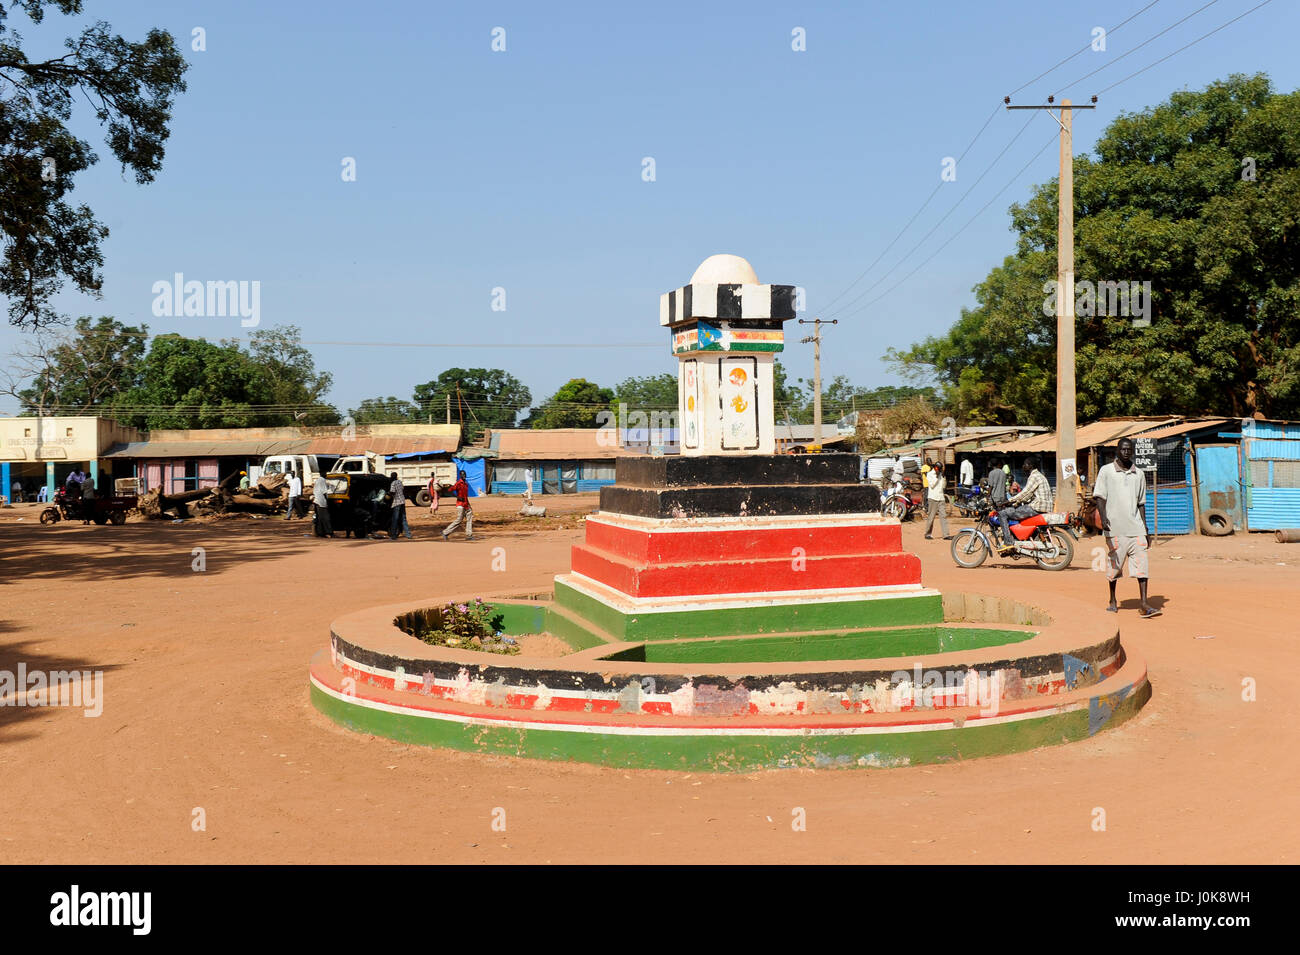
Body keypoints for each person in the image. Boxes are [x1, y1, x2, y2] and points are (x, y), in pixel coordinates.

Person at [1094, 437, 1160, 618]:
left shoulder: (1138, 474)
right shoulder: (1106, 471)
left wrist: (1145, 529)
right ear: (1117, 450)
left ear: (1132, 451)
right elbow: (1099, 497)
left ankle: (1144, 603)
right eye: (1123, 449)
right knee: (1115, 566)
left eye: (1129, 449)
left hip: (1136, 528)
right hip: (1115, 528)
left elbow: (1141, 503)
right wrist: (1104, 517)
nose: (1126, 452)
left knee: (1142, 566)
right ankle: (1113, 600)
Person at [997, 456, 1052, 550]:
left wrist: (1009, 501)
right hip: (1042, 506)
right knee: (1014, 510)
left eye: (1025, 464)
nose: (1023, 466)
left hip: (1037, 507)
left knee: (1003, 513)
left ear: (1030, 466)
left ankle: (1008, 542)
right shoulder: (1039, 475)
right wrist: (1015, 503)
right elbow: (1028, 495)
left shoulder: (1034, 476)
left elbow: (1025, 492)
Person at [441, 470, 475, 541]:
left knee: (469, 518)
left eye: (464, 474)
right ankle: (445, 532)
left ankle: (469, 535)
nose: (464, 476)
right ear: (460, 475)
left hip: (466, 504)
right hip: (460, 504)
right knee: (459, 520)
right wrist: (456, 496)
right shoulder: (458, 483)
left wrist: (469, 505)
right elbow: (450, 490)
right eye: (462, 474)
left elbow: (466, 496)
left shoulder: (466, 484)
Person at [923, 464, 951, 540]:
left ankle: (946, 535)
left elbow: (943, 486)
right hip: (933, 498)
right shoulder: (930, 474)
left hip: (941, 497)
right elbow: (932, 485)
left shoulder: (941, 474)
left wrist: (944, 477)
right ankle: (928, 534)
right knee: (931, 517)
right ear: (936, 468)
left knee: (943, 516)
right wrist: (936, 477)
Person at [388, 471, 412, 540]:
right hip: (402, 501)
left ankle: (393, 536)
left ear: (392, 477)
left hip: (396, 502)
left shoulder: (393, 483)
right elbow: (402, 489)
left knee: (395, 519)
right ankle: (408, 535)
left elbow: (392, 492)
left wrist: (388, 494)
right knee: (403, 519)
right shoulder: (400, 482)